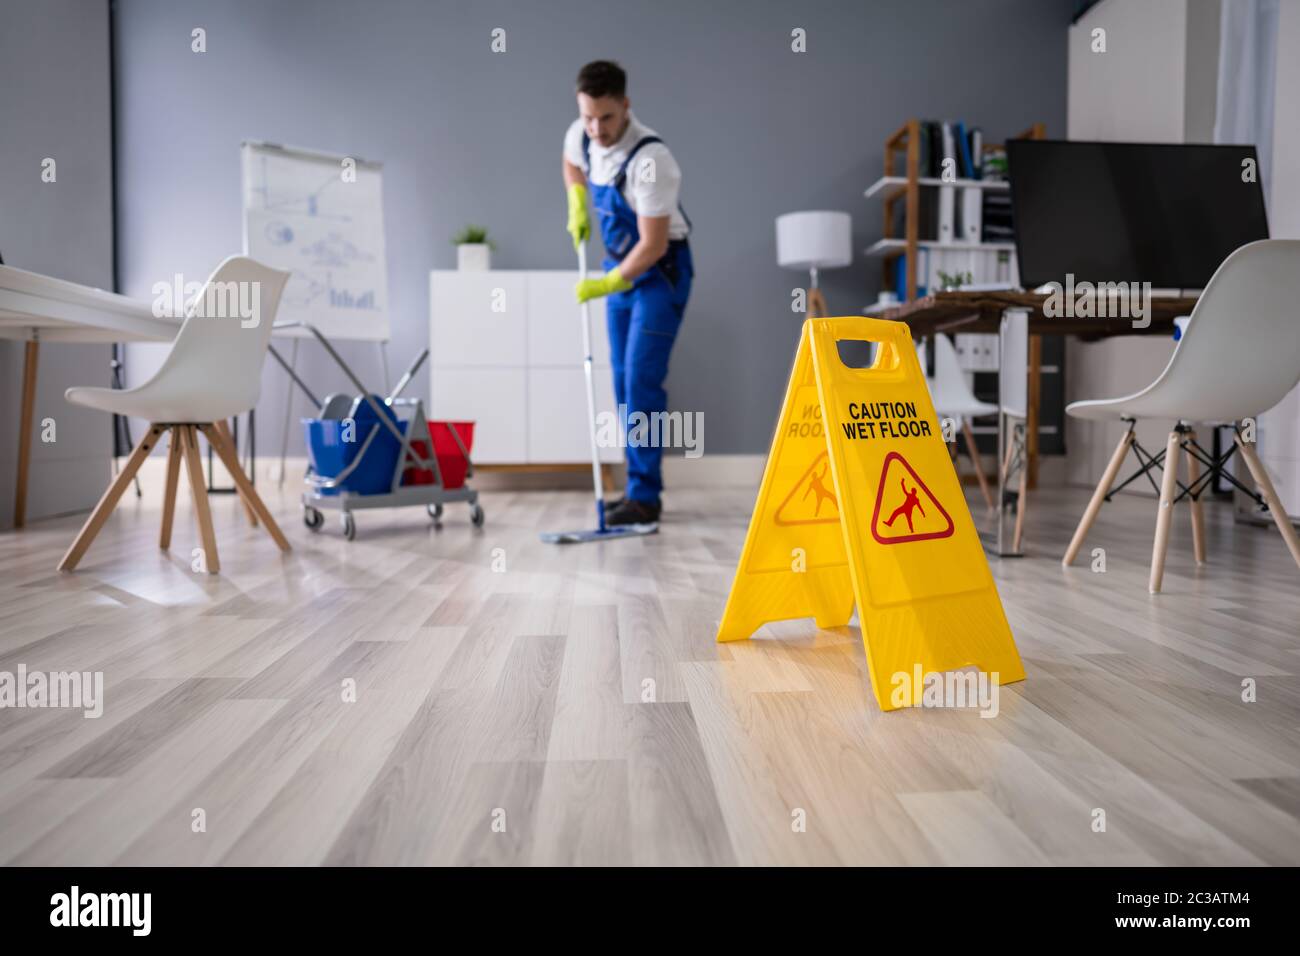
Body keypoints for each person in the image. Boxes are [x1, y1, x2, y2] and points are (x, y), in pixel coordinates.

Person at [562, 60, 693, 528]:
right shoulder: (580, 134)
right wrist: (576, 200)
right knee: (621, 382)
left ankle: (644, 497)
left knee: (641, 381)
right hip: (622, 268)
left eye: (607, 118)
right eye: (588, 117)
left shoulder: (652, 161)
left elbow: (654, 245)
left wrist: (607, 283)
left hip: (660, 272)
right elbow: (572, 163)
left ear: (626, 105)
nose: (596, 129)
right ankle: (635, 489)